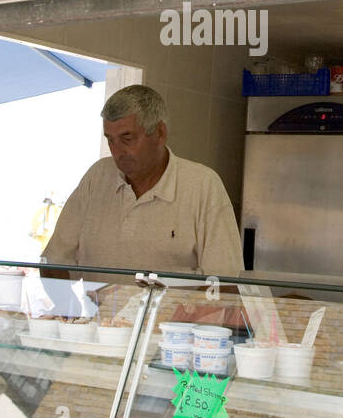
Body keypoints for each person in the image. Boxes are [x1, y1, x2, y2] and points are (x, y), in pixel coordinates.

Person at [42, 84, 244, 276]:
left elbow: (225, 280)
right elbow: (54, 260)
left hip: (174, 313)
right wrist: (68, 308)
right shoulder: (97, 177)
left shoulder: (202, 185)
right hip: (100, 312)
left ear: (159, 133)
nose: (118, 151)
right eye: (110, 140)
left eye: (127, 139)